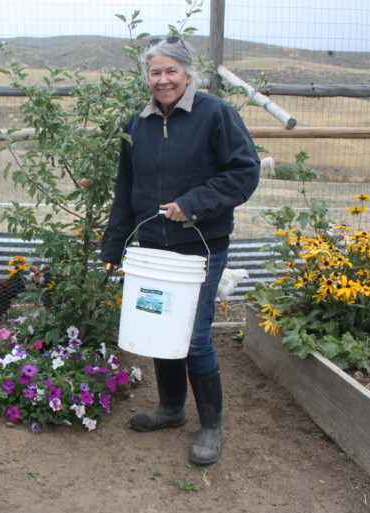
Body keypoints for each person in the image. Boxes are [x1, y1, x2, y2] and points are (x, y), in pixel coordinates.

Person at [100, 36, 260, 465]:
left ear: (189, 74)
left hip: (201, 246)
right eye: (155, 72)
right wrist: (114, 245)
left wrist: (193, 203)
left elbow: (243, 173)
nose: (163, 79)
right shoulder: (138, 124)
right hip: (154, 246)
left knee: (194, 335)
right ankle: (171, 409)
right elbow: (126, 190)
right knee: (160, 328)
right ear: (147, 78)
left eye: (171, 70)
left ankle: (211, 426)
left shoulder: (216, 114)